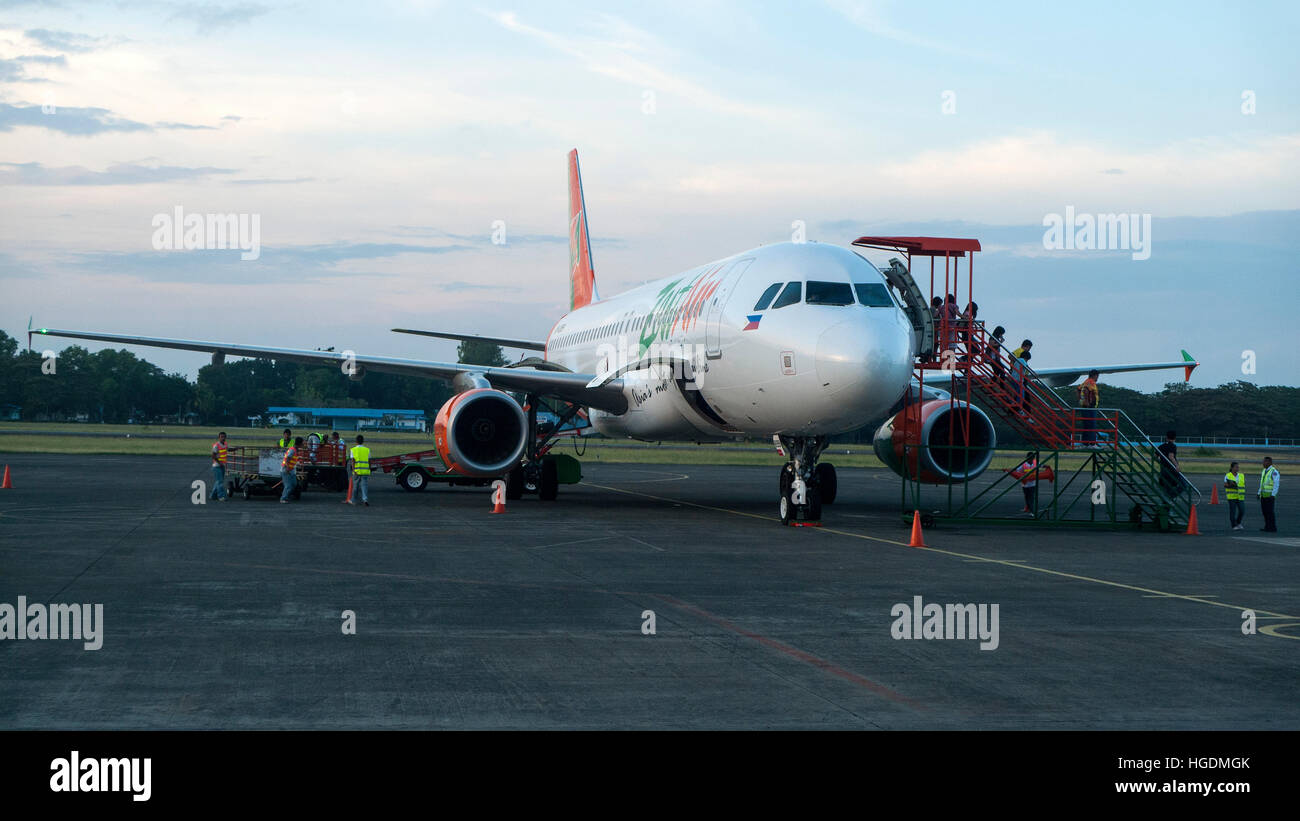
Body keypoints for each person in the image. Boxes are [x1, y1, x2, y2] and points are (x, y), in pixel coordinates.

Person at [1076, 369, 1100, 445]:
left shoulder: (1085, 382)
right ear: (1095, 375)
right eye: (1097, 376)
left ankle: (1085, 443)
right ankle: (1092, 443)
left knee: (1087, 425)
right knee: (1091, 425)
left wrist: (1080, 400)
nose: (1097, 378)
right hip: (1090, 407)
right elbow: (1086, 390)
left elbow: (1078, 389)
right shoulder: (1091, 382)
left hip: (1085, 407)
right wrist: (1086, 401)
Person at [347, 434, 372, 507]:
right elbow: (369, 461)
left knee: (356, 486)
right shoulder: (367, 450)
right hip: (365, 471)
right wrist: (369, 468)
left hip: (357, 471)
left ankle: (353, 500)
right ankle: (365, 499)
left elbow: (353, 461)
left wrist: (354, 470)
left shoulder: (353, 449)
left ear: (356, 441)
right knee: (364, 486)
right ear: (363, 441)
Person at [1258, 456, 1280, 532]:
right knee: (1265, 512)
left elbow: (1276, 484)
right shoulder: (1264, 471)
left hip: (1270, 496)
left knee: (1270, 512)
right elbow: (1262, 483)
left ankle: (1273, 527)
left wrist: (1273, 495)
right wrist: (1258, 493)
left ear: (1270, 462)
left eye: (1265, 462)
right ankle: (1267, 526)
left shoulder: (1274, 472)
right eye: (1263, 462)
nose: (1263, 463)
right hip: (1263, 495)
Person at [1156, 430, 1181, 498]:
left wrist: (1161, 462)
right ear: (1175, 438)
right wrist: (1177, 466)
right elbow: (1171, 456)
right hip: (1171, 470)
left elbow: (1155, 457)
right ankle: (1171, 497)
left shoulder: (1161, 446)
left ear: (1166, 437)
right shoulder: (1173, 446)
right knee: (1183, 484)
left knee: (1166, 488)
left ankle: (1168, 499)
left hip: (1163, 470)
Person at [280, 436, 303, 503]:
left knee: (294, 484)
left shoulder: (295, 450)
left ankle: (286, 496)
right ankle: (283, 499)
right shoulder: (292, 450)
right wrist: (287, 468)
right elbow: (287, 459)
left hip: (291, 470)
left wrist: (297, 464)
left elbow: (292, 460)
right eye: (302, 443)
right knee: (288, 485)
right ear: (300, 443)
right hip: (286, 469)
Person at [1224, 461, 1246, 531]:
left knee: (1242, 510)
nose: (1237, 468)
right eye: (1236, 467)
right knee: (1232, 511)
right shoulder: (1228, 475)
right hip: (1231, 496)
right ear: (1232, 468)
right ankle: (1233, 525)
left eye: (1238, 467)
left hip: (1240, 496)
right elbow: (1225, 485)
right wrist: (1230, 485)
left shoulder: (1241, 475)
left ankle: (1238, 522)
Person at [210, 431, 229, 501]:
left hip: (222, 465)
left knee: (218, 481)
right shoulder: (216, 445)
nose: (223, 438)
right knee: (220, 482)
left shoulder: (225, 444)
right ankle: (221, 496)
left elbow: (227, 449)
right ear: (219, 438)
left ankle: (212, 496)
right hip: (217, 466)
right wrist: (219, 462)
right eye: (222, 437)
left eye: (224, 437)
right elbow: (213, 455)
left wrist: (235, 449)